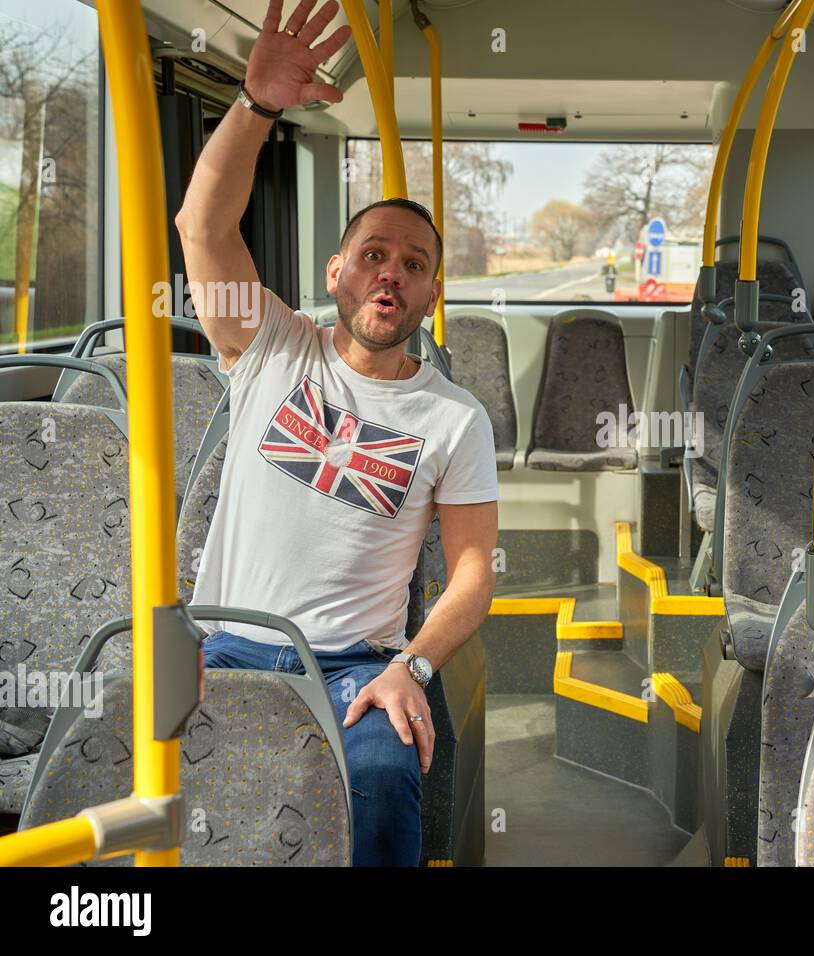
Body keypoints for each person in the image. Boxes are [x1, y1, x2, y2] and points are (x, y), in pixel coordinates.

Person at [174, 0, 499, 866]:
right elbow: (203, 229)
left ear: (432, 296)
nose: (390, 273)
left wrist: (414, 670)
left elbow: (472, 576)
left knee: (386, 778)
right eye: (373, 254)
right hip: (221, 639)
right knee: (145, 763)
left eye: (414, 265)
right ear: (337, 270)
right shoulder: (271, 344)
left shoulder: (453, 418)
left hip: (357, 665)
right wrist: (257, 106)